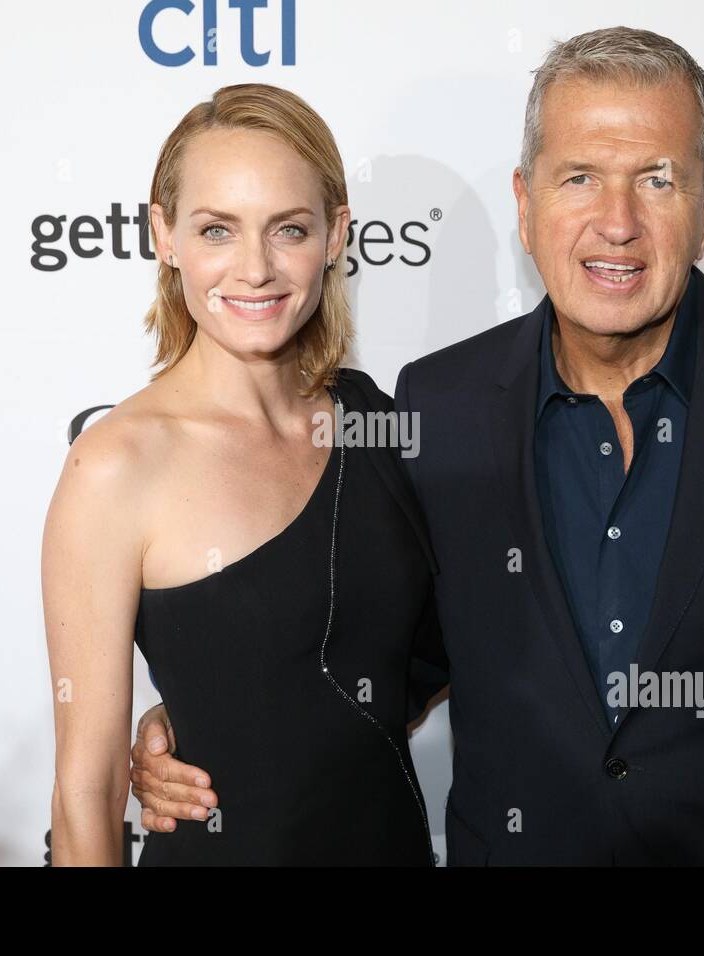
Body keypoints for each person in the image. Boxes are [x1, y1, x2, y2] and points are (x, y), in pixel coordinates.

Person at [132, 27, 704, 865]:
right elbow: (393, 653)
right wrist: (209, 719)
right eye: (579, 178)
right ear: (526, 204)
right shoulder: (439, 404)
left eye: (658, 179)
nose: (618, 224)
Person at [42, 83, 444, 866]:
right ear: (164, 236)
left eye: (287, 229)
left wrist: (201, 705)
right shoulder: (116, 465)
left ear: (335, 235)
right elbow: (83, 794)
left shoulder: (376, 421)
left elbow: (427, 653)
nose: (254, 269)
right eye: (217, 229)